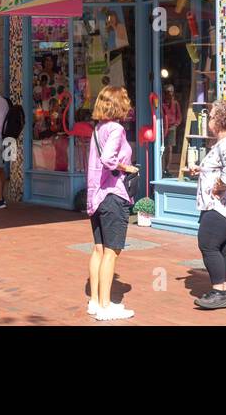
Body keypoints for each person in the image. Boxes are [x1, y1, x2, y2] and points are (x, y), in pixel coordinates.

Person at [86, 84, 138, 321]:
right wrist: (126, 167)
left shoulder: (99, 128)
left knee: (99, 250)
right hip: (112, 195)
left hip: (96, 196)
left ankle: (96, 302)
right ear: (119, 104)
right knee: (111, 252)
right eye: (125, 100)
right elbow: (108, 159)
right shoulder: (116, 128)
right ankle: (106, 306)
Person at [189, 101, 226, 310]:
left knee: (208, 245)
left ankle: (219, 292)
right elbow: (224, 167)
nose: (208, 120)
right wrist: (202, 170)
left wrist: (219, 186)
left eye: (211, 116)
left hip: (221, 206)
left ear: (220, 121)